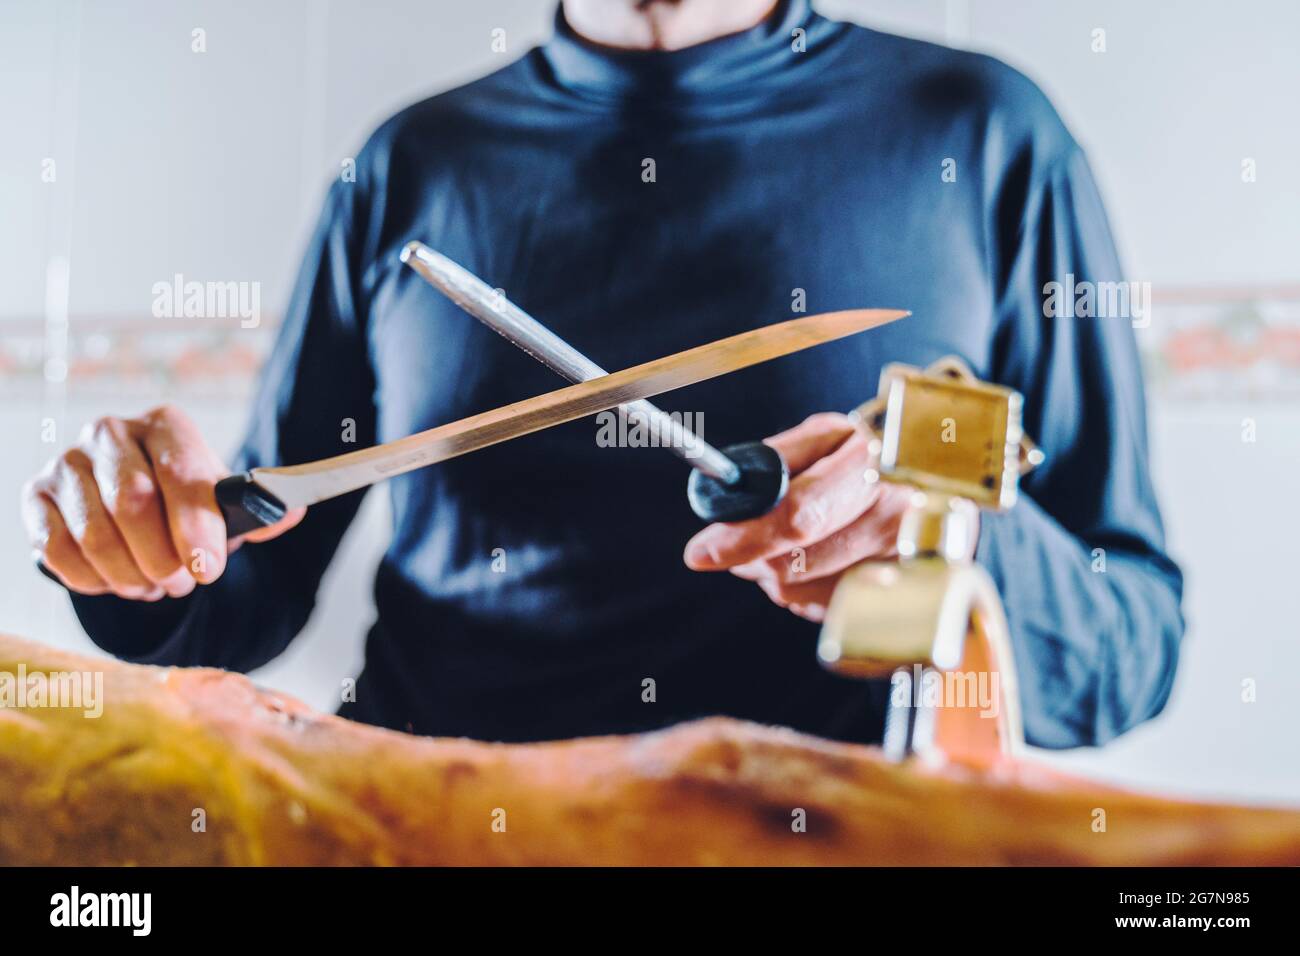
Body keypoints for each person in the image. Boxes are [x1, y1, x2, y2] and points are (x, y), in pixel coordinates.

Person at [21, 0, 1183, 748]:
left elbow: (1131, 645)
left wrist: (955, 547)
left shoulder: (985, 134)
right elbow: (245, 605)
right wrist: (137, 547)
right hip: (435, 828)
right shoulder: (409, 165)